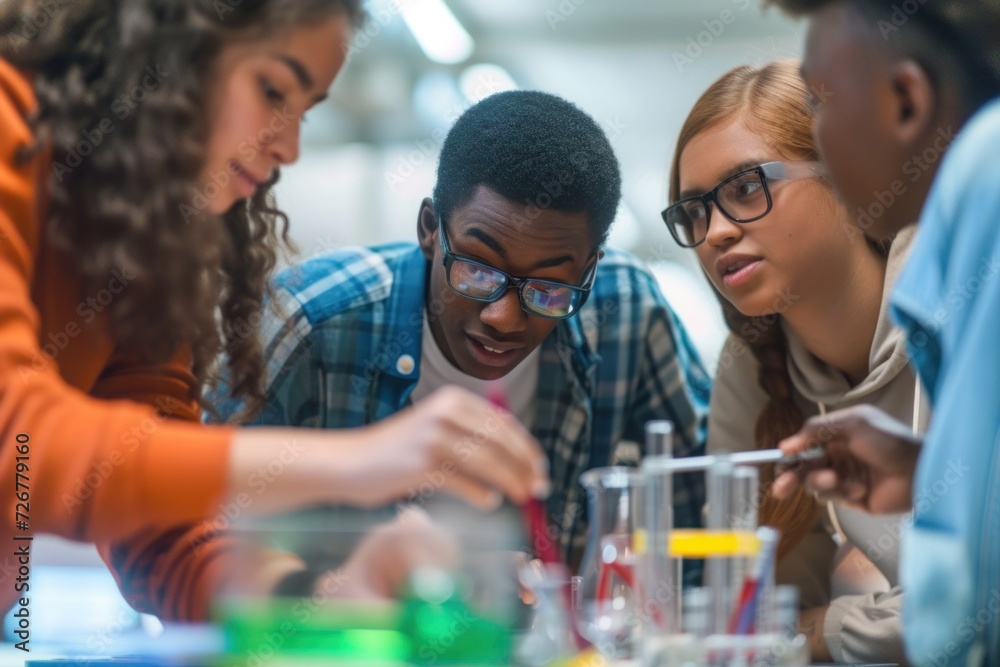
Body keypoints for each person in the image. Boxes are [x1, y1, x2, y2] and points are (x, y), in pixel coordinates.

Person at [0, 0, 548, 621]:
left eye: (304, 111)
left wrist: (325, 595)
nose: (287, 146)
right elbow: (18, 443)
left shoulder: (133, 244)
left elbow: (159, 527)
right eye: (272, 90)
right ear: (169, 49)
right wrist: (357, 461)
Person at [211, 90, 712, 572]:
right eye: (478, 270)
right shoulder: (313, 322)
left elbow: (707, 527)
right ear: (430, 228)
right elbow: (192, 537)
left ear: (589, 270)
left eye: (549, 288)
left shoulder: (627, 316)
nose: (503, 318)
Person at [663, 58, 924, 664]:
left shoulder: (962, 309)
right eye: (694, 212)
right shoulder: (751, 366)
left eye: (747, 188)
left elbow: (973, 605)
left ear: (846, 173)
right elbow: (747, 616)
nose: (715, 233)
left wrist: (825, 631)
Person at [764, 1, 1000, 664]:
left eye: (818, 101)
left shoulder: (989, 171)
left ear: (905, 100)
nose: (816, 132)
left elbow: (963, 614)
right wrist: (932, 473)